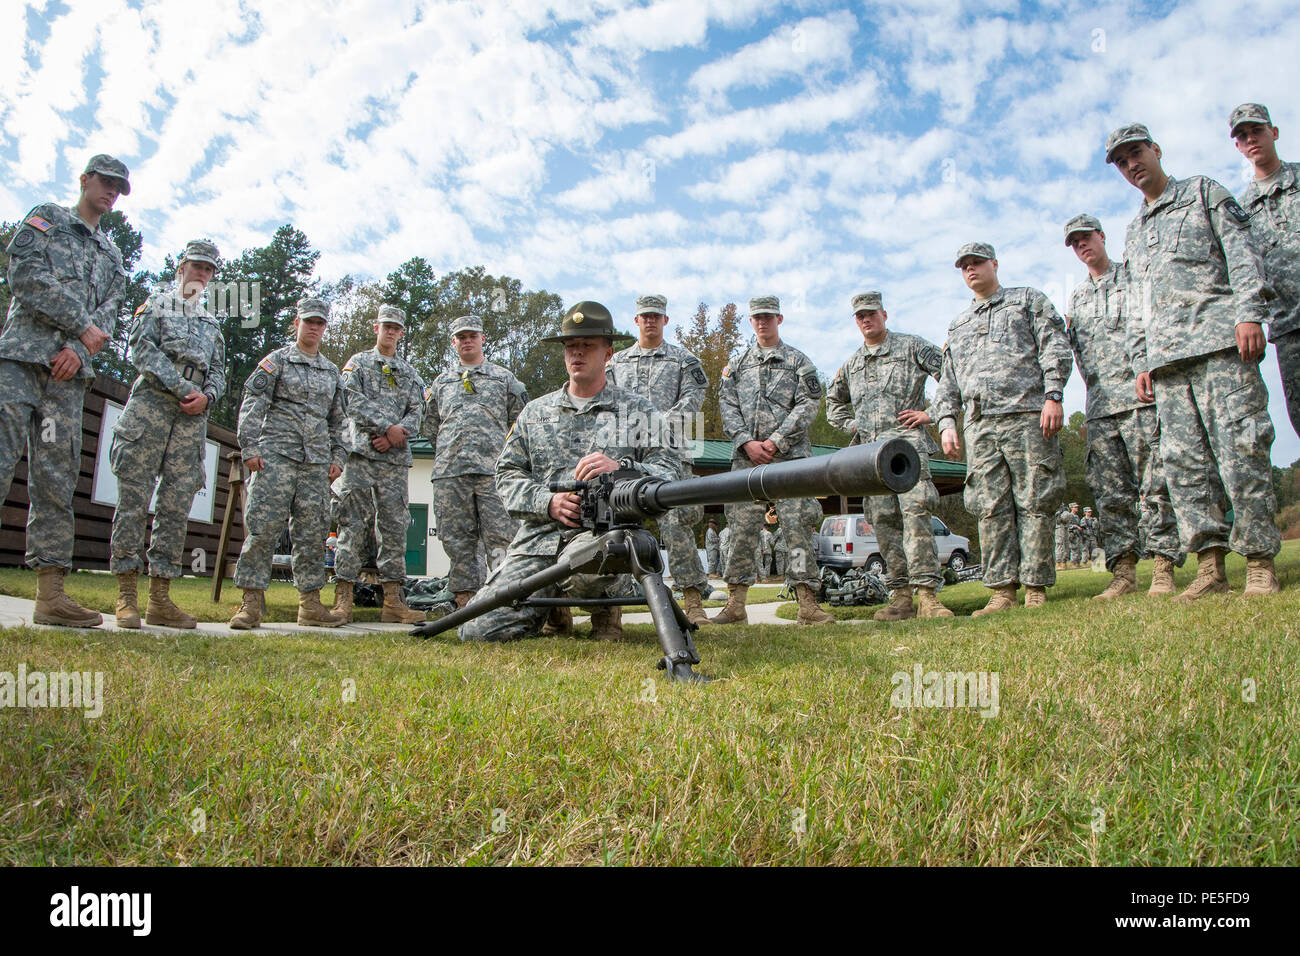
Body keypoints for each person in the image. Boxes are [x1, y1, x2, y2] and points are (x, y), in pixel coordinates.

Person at [1108, 122, 1281, 600]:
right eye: (1122, 162)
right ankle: (1210, 567)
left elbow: (1242, 254)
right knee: (1185, 467)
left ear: (1156, 150)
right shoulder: (1134, 231)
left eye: (1136, 153)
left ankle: (1260, 562)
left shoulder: (1204, 192)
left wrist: (1248, 312)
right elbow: (1137, 302)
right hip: (1167, 365)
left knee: (1241, 450)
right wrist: (1141, 359)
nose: (1131, 165)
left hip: (1221, 346)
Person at [459, 302, 677, 643]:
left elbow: (670, 472)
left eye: (587, 345)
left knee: (588, 571)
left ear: (608, 353)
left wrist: (623, 468)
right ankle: (551, 607)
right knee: (477, 631)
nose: (577, 353)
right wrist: (547, 502)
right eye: (570, 346)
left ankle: (607, 605)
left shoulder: (638, 411)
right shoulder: (534, 412)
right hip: (537, 541)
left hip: (602, 538)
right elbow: (506, 473)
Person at [0, 154, 130, 627]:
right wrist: (80, 325)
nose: (111, 192)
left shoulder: (113, 257)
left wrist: (80, 346)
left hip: (67, 379)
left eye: (118, 188)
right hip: (21, 362)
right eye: (105, 182)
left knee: (55, 480)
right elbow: (24, 276)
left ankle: (51, 594)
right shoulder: (48, 219)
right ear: (85, 179)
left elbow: (111, 314)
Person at [934, 242, 1072, 616]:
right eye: (964, 266)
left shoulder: (1027, 300)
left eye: (977, 263)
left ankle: (1035, 585)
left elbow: (1054, 346)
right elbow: (948, 382)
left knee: (1035, 500)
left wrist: (1054, 395)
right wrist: (947, 423)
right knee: (989, 506)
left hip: (1028, 415)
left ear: (994, 263)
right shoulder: (959, 325)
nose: (971, 270)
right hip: (980, 426)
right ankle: (1002, 590)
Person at [109, 238, 227, 628]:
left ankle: (160, 598)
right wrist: (182, 387)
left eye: (209, 269)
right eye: (197, 265)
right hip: (152, 408)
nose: (202, 273)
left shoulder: (212, 325)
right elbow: (141, 352)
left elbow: (219, 373)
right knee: (134, 500)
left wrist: (207, 397)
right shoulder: (157, 305)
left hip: (191, 421)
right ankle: (126, 596)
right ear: (182, 266)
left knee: (176, 506)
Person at [1063, 213, 1180, 597]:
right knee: (1111, 494)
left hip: (1139, 398)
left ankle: (1163, 566)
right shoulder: (1077, 298)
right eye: (1075, 243)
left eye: (1086, 238)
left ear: (1101, 236)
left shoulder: (1132, 278)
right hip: (1100, 407)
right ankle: (1124, 573)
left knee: (1156, 483)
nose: (1082, 246)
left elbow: (1150, 325)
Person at [826, 290, 953, 620]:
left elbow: (951, 375)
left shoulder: (911, 347)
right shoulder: (853, 364)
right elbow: (833, 404)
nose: (866, 319)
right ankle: (900, 597)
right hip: (870, 456)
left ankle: (927, 595)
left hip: (907, 448)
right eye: (860, 316)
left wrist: (933, 412)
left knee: (916, 516)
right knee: (883, 523)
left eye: (871, 313)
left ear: (884, 314)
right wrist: (854, 423)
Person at [228, 298, 348, 628]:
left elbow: (339, 420)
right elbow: (253, 404)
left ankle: (310, 604)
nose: (314, 327)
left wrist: (338, 457)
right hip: (275, 459)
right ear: (296, 323)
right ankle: (250, 603)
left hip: (315, 465)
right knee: (263, 529)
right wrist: (250, 447)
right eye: (308, 321)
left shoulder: (331, 372)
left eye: (320, 323)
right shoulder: (276, 362)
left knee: (312, 535)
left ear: (325, 328)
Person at [713, 296, 833, 625]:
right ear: (751, 322)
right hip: (746, 461)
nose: (762, 322)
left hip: (791, 460)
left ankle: (807, 604)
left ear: (779, 318)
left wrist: (776, 441)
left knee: (796, 530)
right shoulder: (736, 366)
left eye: (768, 316)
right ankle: (736, 605)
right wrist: (747, 442)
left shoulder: (798, 361)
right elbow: (726, 404)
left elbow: (809, 403)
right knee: (741, 530)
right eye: (756, 317)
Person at [605, 294, 711, 624]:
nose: (650, 321)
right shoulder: (616, 363)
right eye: (644, 316)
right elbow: (606, 404)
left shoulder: (684, 361)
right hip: (624, 456)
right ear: (636, 321)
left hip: (670, 455)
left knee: (676, 523)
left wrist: (652, 426)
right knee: (613, 523)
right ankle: (612, 608)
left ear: (665, 320)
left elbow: (693, 401)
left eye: (656, 316)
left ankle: (693, 601)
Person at [422, 314, 528, 609]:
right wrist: (451, 452)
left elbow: (519, 423)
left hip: (492, 472)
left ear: (483, 339)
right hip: (450, 473)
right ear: (454, 342)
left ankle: (504, 598)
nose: (467, 341)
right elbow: (431, 427)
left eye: (472, 336)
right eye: (461, 337)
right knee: (457, 539)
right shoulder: (441, 382)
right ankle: (465, 600)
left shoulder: (504, 378)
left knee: (502, 536)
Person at [331, 305, 427, 625]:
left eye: (396, 328)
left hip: (394, 460)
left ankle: (393, 600)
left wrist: (398, 436)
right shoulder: (358, 364)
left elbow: (418, 411)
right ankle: (343, 596)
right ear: (376, 329)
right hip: (362, 455)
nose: (390, 332)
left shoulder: (410, 373)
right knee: (352, 523)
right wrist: (387, 427)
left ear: (401, 333)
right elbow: (350, 400)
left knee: (394, 526)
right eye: (385, 326)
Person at [1232, 103, 1300, 439]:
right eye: (1243, 136)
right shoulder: (1239, 211)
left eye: (1256, 130)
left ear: (1273, 132)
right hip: (1288, 329)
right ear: (1238, 147)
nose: (1251, 139)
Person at [1067, 501, 1084, 568]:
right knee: (1074, 549)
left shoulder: (1076, 516)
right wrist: (1075, 526)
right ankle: (1074, 563)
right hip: (1072, 534)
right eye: (1075, 507)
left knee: (1079, 549)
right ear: (1071, 508)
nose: (1077, 508)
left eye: (1077, 507)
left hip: (1078, 535)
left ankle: (1078, 563)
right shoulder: (1069, 516)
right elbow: (1068, 526)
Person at [1054, 505, 1070, 570]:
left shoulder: (1064, 507)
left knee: (1065, 545)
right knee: (1059, 545)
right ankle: (1058, 563)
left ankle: (1064, 563)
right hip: (1059, 527)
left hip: (1065, 526)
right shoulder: (1055, 505)